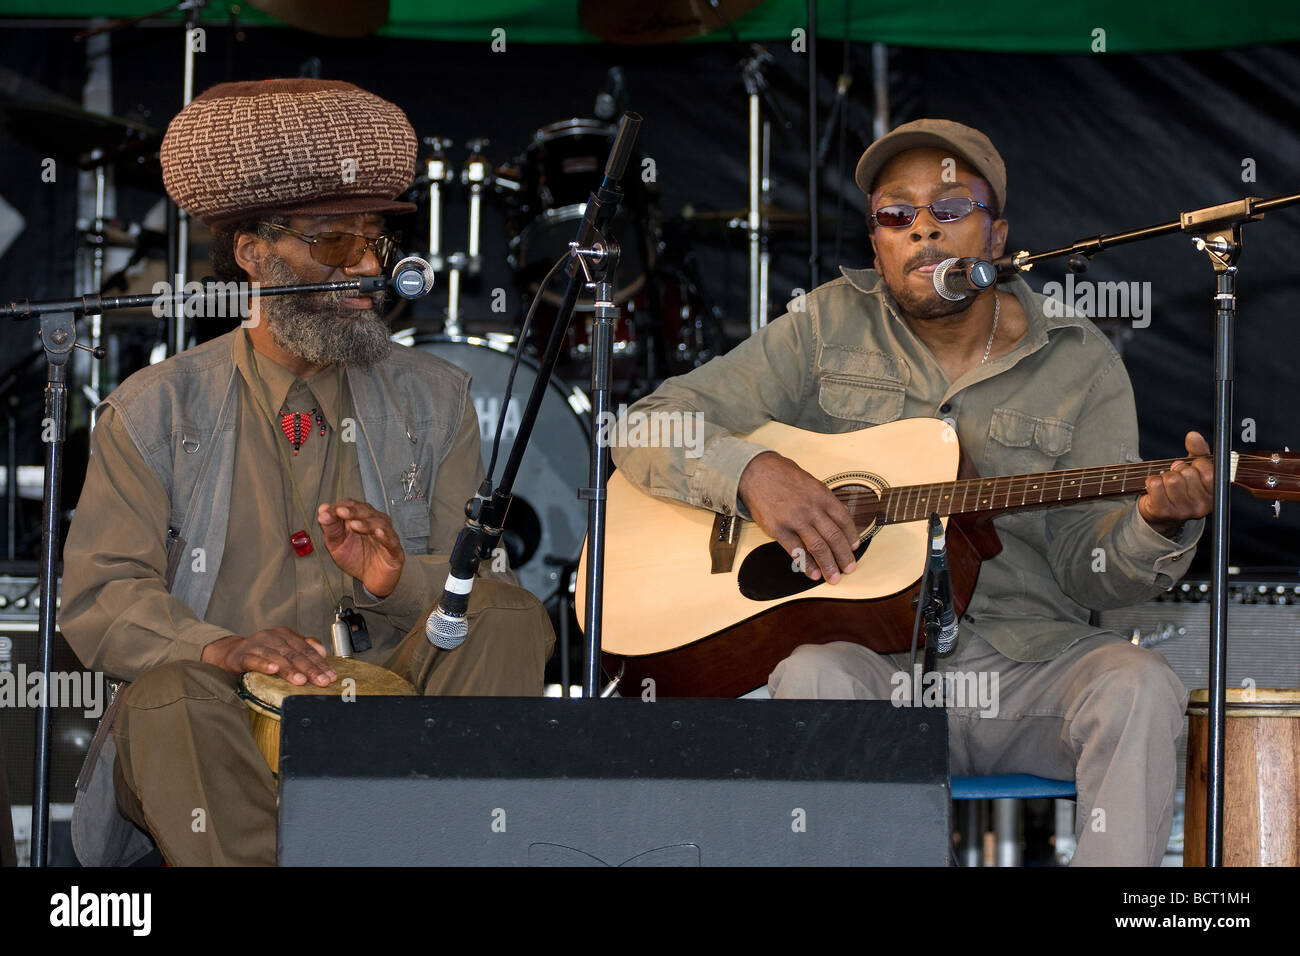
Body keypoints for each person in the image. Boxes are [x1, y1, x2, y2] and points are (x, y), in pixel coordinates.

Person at [611, 118, 1214, 866]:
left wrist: (1155, 524)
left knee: (1142, 685)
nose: (922, 230)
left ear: (996, 239)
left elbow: (1093, 569)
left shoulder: (1079, 361)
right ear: (877, 246)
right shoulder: (825, 324)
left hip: (1025, 667)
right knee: (809, 673)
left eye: (951, 210)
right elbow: (645, 426)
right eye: (896, 215)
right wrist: (754, 475)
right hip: (877, 667)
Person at [60, 79, 555, 866]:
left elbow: (474, 579)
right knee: (168, 695)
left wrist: (400, 581)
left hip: (392, 699)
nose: (367, 267)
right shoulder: (155, 409)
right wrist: (222, 649)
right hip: (224, 712)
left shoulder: (434, 399)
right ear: (255, 255)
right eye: (335, 242)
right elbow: (101, 596)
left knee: (504, 611)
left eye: (375, 243)